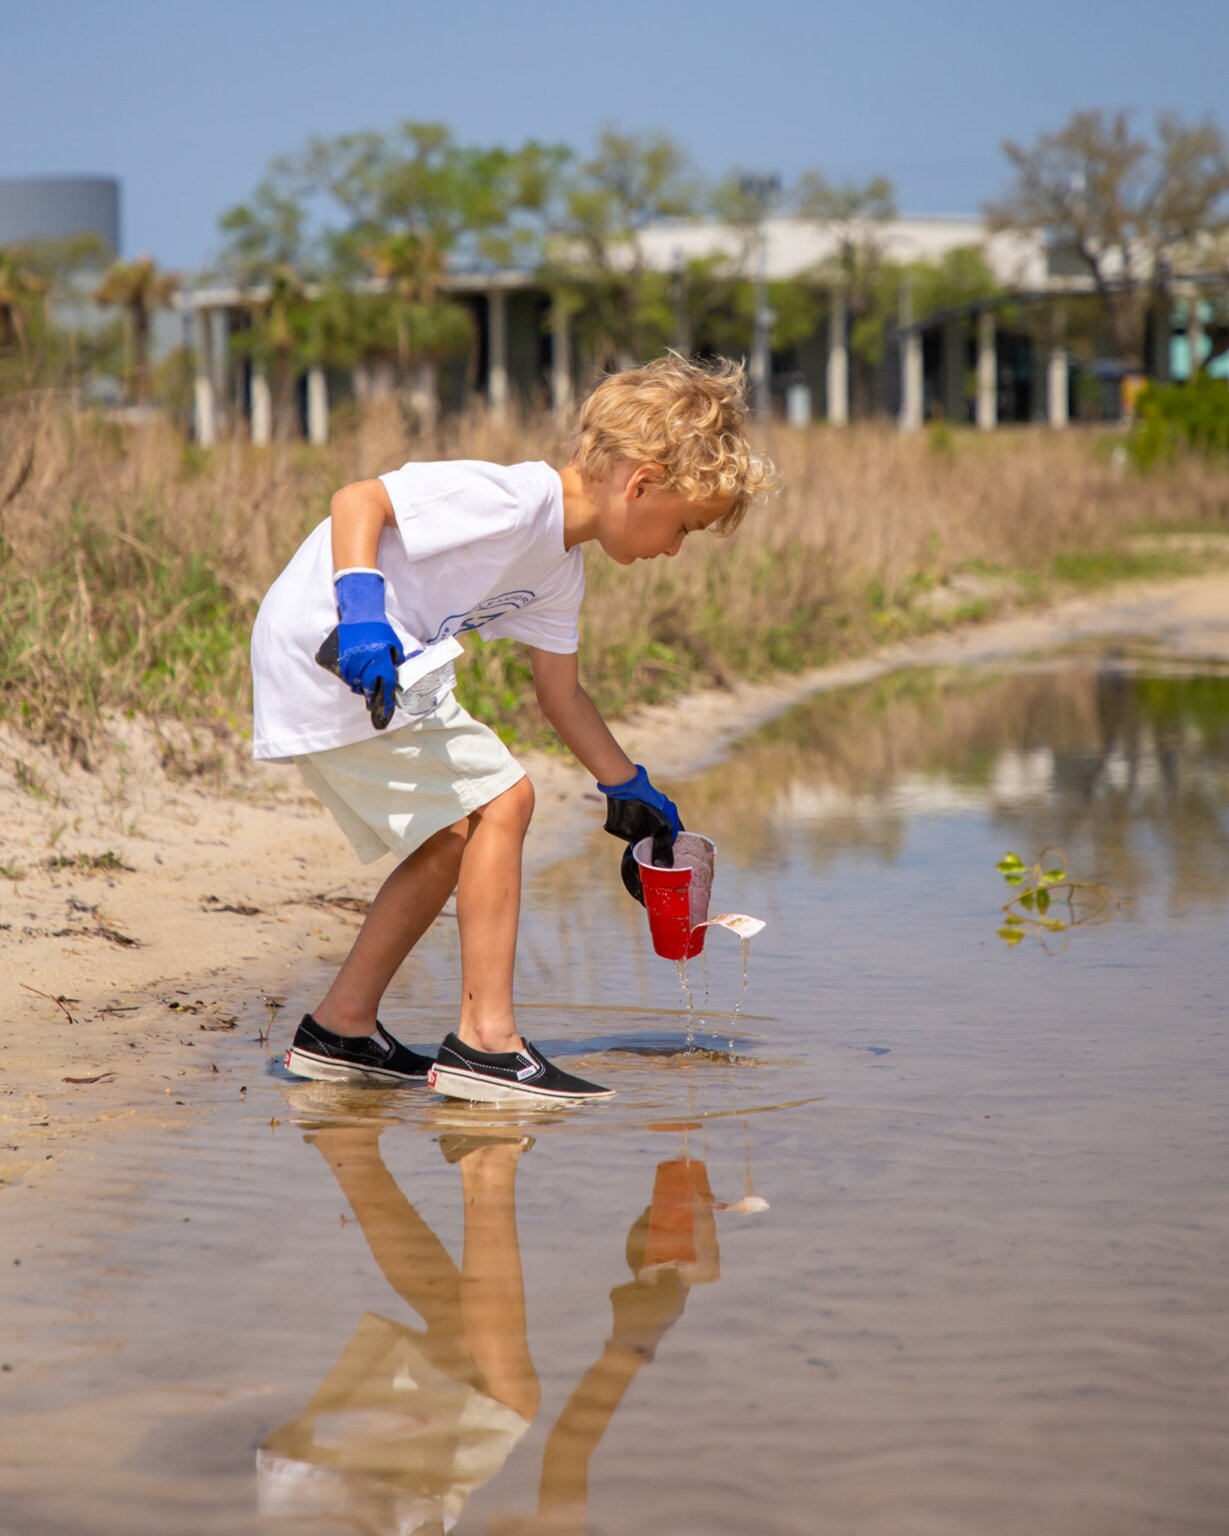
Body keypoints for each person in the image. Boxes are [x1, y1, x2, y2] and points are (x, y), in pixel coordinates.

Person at [250, 354, 774, 1104]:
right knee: (505, 799)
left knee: (451, 836)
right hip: (335, 649)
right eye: (683, 527)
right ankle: (485, 1044)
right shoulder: (513, 498)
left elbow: (559, 693)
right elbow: (357, 500)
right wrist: (362, 612)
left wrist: (627, 787)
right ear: (641, 484)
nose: (673, 549)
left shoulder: (560, 568)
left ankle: (340, 1031)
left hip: (375, 670)